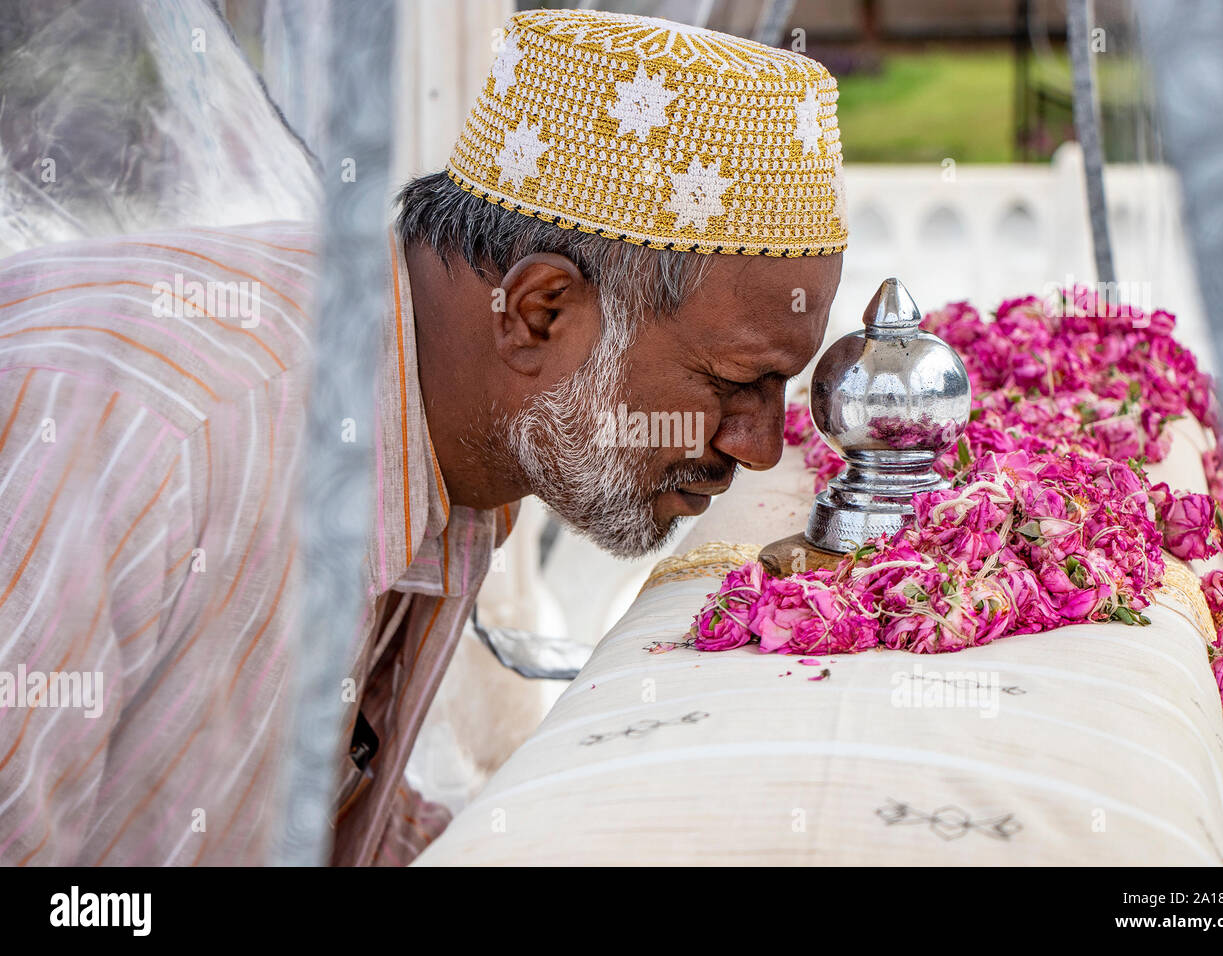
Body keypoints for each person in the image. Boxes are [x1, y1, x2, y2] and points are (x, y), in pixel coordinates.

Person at [0, 7, 846, 865]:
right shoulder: (153, 432)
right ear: (539, 312)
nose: (762, 446)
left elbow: (331, 806)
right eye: (738, 384)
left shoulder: (471, 441)